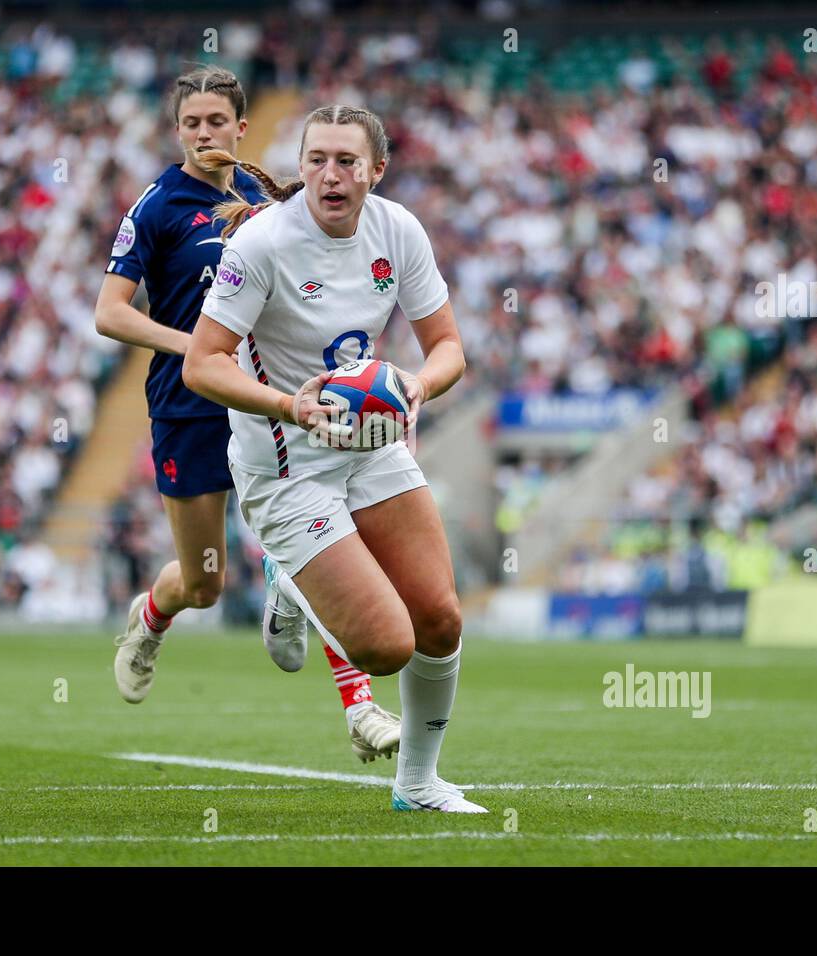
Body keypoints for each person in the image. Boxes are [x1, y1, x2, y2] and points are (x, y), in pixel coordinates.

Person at [182, 104, 486, 813]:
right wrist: (289, 404)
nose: (329, 174)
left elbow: (448, 350)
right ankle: (288, 576)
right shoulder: (262, 244)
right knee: (385, 646)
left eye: (347, 161)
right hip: (285, 466)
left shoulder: (397, 229)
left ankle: (416, 785)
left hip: (369, 444)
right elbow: (203, 364)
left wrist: (416, 384)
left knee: (439, 619)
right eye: (316, 159)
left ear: (376, 170)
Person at [94, 68, 401, 762]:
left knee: (319, 541)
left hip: (276, 400)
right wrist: (198, 345)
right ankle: (150, 619)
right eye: (191, 122)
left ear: (241, 127)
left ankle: (359, 707)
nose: (204, 133)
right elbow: (109, 313)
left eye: (215, 121)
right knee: (203, 582)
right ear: (177, 131)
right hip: (191, 401)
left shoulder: (272, 200)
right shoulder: (157, 207)